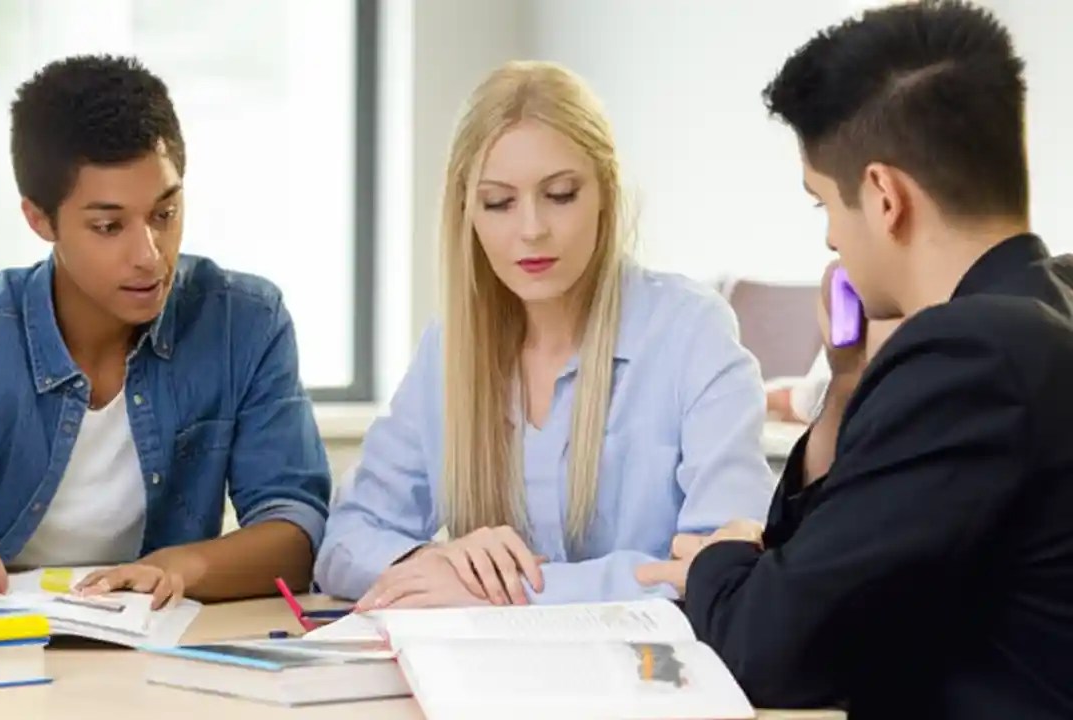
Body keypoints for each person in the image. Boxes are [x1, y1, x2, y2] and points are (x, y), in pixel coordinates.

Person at [635, 2, 1073, 717]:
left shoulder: (974, 358)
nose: (833, 240)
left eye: (823, 206)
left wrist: (720, 557)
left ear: (884, 195)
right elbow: (844, 569)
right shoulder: (1044, 310)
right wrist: (845, 383)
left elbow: (773, 650)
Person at [0, 55, 331, 609]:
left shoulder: (244, 322)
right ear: (39, 219)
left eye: (165, 213)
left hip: (161, 650)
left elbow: (296, 527)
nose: (149, 257)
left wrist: (179, 569)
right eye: (108, 226)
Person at [315, 61, 774, 609]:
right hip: (481, 682)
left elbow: (722, 568)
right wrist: (427, 563)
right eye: (499, 203)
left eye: (559, 194)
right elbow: (344, 542)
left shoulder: (692, 333)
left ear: (604, 192)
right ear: (468, 212)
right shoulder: (448, 349)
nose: (531, 228)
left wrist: (497, 590)